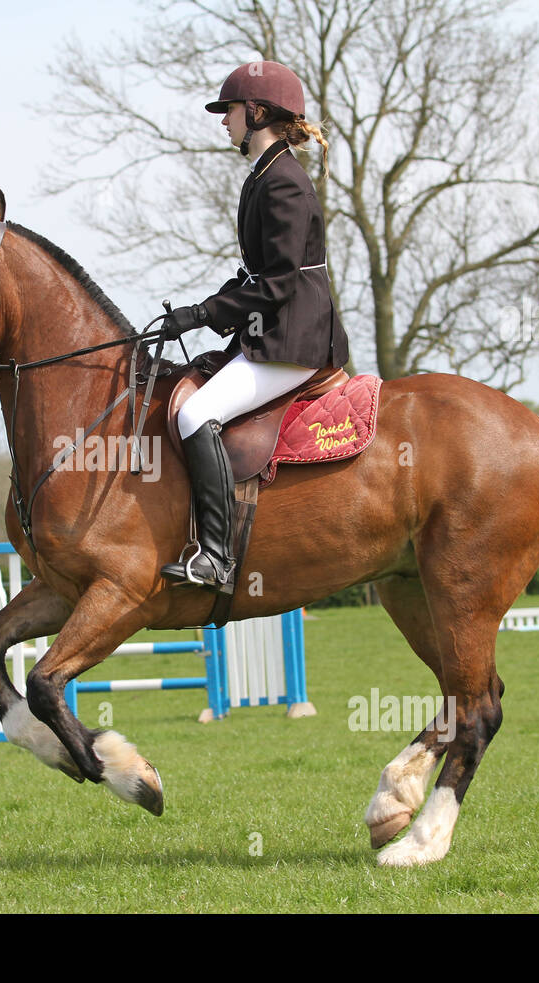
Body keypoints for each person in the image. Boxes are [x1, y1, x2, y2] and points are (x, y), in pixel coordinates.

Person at [159, 60, 350, 589]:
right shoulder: (264, 176)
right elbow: (254, 272)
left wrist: (204, 315)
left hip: (295, 341)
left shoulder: (283, 182)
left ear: (257, 112)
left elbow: (280, 282)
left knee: (196, 416)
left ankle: (216, 557)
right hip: (275, 331)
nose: (224, 121)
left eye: (230, 111)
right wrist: (198, 312)